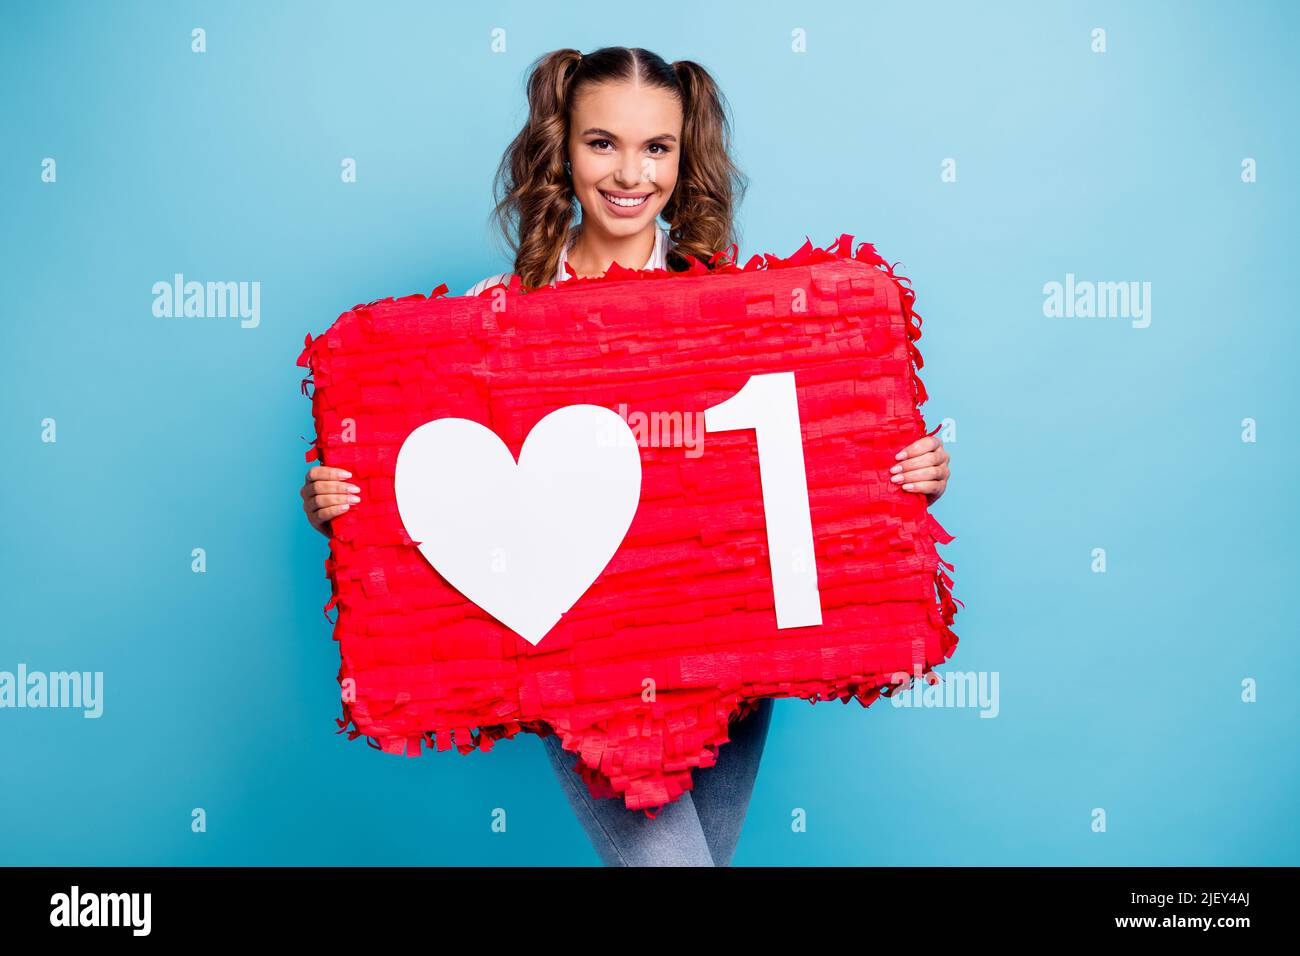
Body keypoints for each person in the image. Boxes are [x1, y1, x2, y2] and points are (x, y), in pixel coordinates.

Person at [299, 46, 952, 866]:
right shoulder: (488, 324)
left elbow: (806, 452)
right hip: (586, 673)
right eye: (602, 143)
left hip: (725, 658)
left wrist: (901, 471)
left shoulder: (736, 314)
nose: (629, 174)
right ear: (562, 149)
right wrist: (338, 501)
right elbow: (437, 487)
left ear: (685, 157)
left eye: (657, 147)